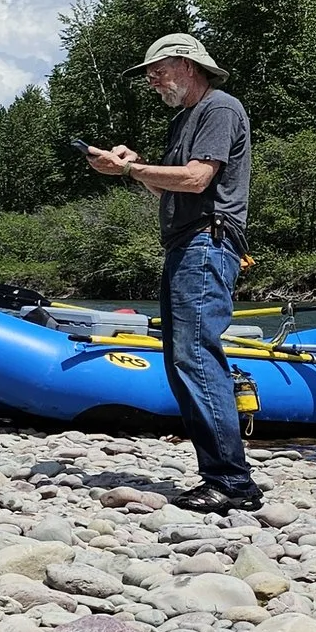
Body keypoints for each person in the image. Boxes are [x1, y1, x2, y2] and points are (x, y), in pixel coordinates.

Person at [88, 34, 259, 512]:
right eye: (149, 73)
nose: (151, 79)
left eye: (158, 69)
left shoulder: (219, 108)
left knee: (196, 357)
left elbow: (197, 178)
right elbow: (171, 190)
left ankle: (231, 482)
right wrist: (130, 166)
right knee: (184, 358)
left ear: (187, 65)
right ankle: (224, 475)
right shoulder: (186, 119)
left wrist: (130, 170)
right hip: (187, 243)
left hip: (207, 242)